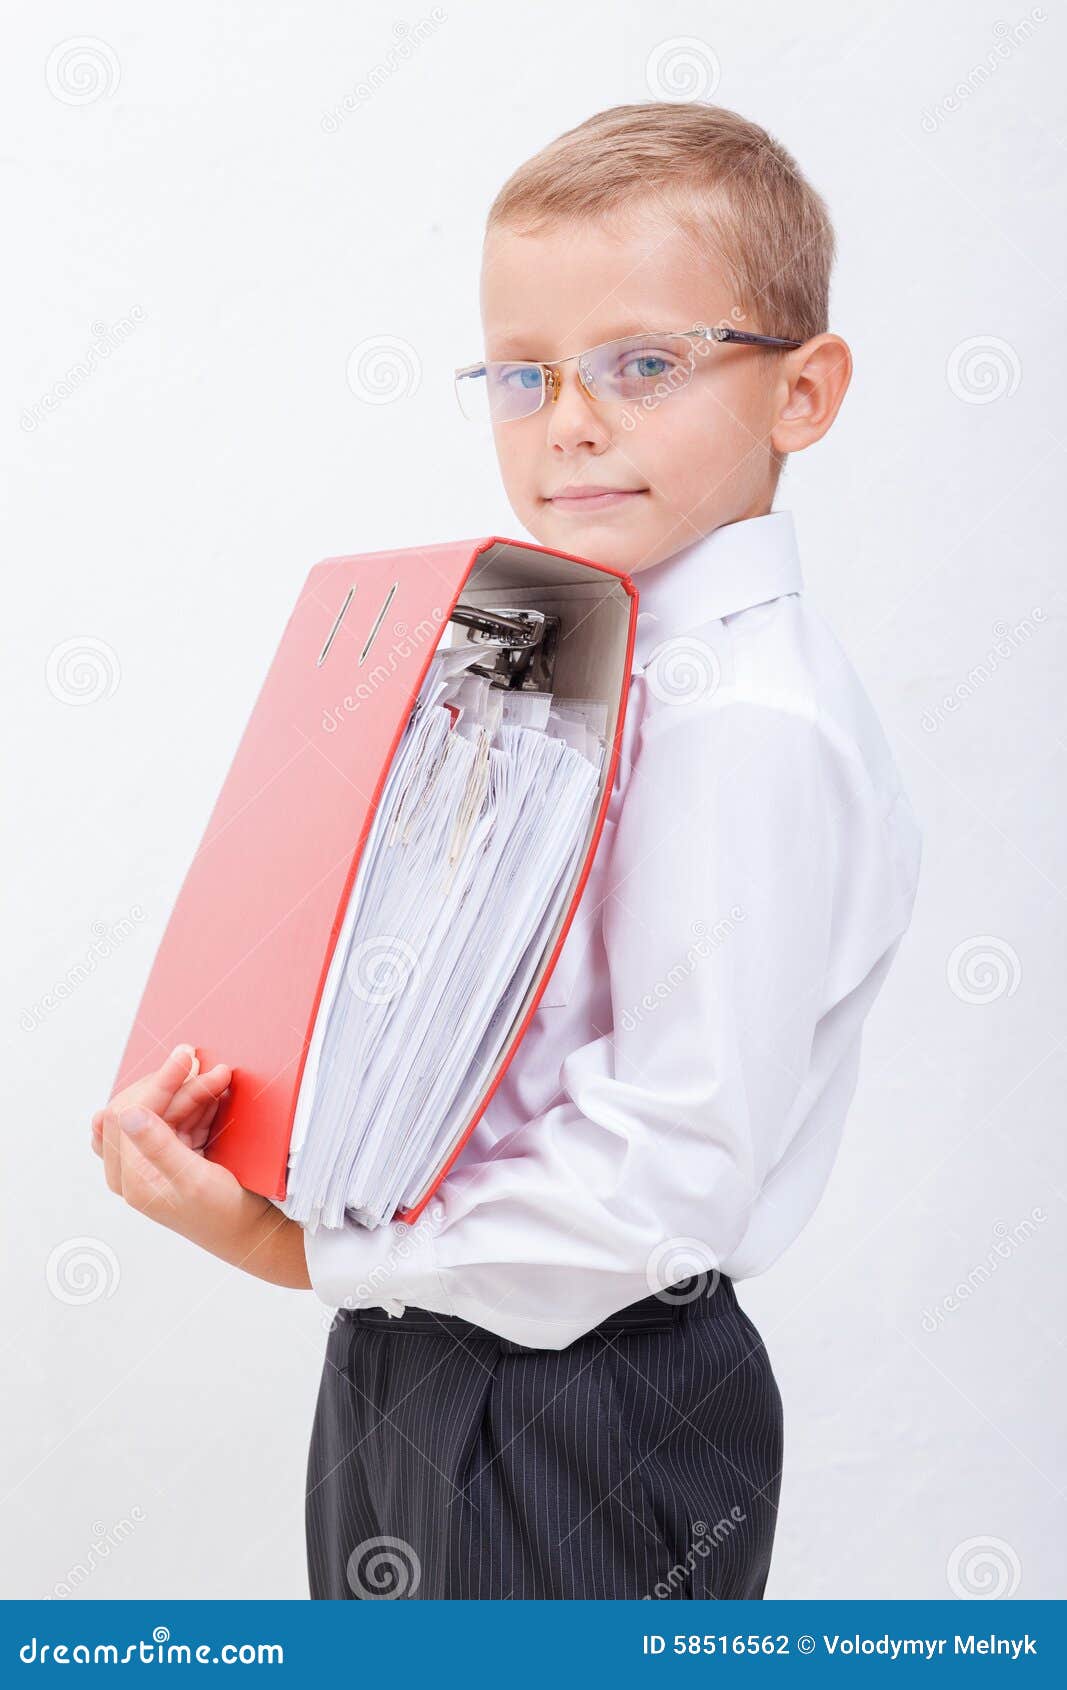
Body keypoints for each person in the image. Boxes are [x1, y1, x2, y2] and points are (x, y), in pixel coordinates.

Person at [91, 101, 922, 1601]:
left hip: (583, 1401)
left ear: (804, 394)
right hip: (425, 1349)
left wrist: (294, 1255)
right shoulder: (576, 661)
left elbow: (654, 1183)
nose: (570, 421)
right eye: (523, 374)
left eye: (644, 364)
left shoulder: (746, 724)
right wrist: (280, 1134)